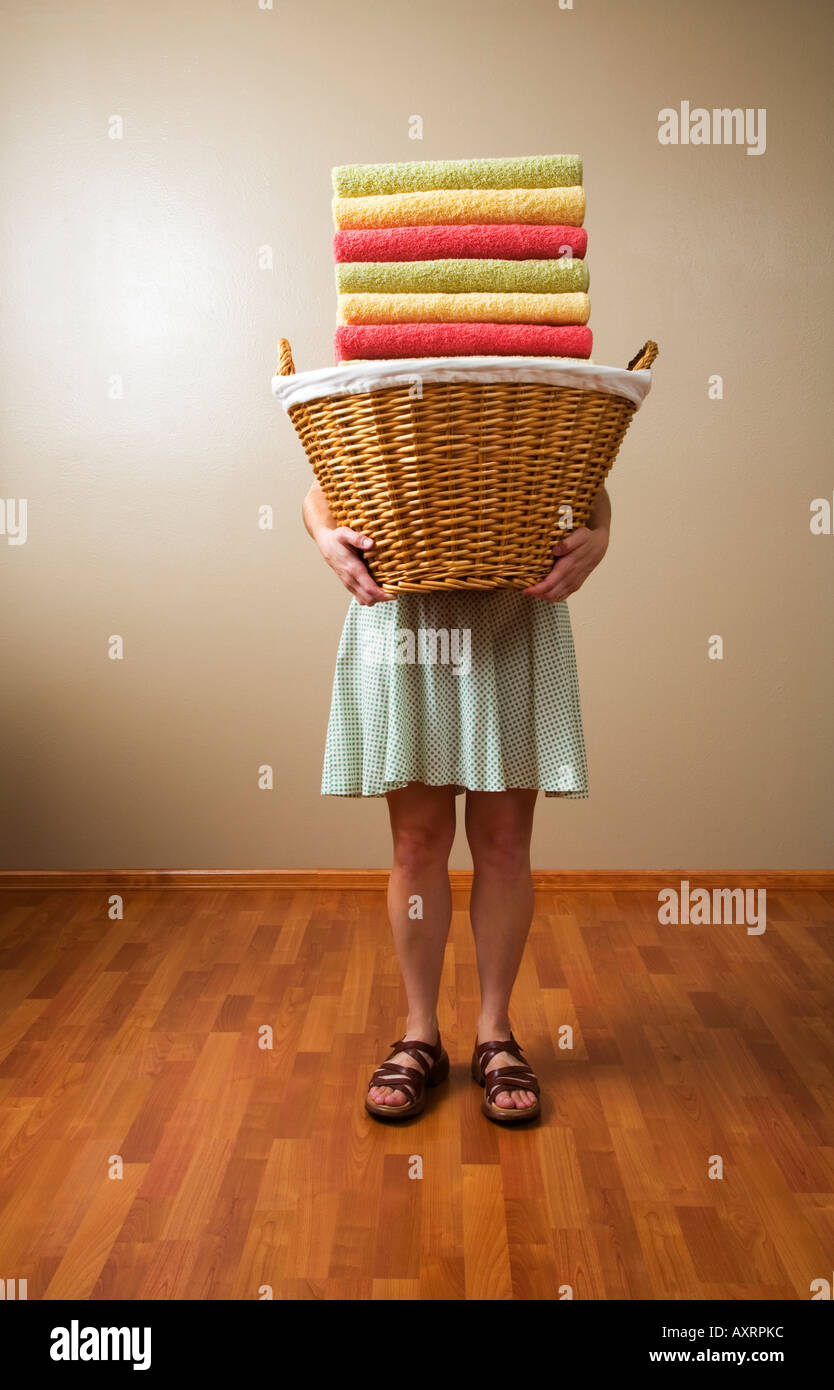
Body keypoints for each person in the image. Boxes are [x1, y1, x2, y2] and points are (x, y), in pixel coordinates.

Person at [302, 479, 611, 1123]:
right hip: (406, 611)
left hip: (513, 607)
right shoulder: (381, 384)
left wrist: (600, 536)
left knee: (504, 842)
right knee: (416, 844)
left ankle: (495, 1034)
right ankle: (422, 1035)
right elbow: (324, 485)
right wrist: (327, 541)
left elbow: (585, 477)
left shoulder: (532, 381)